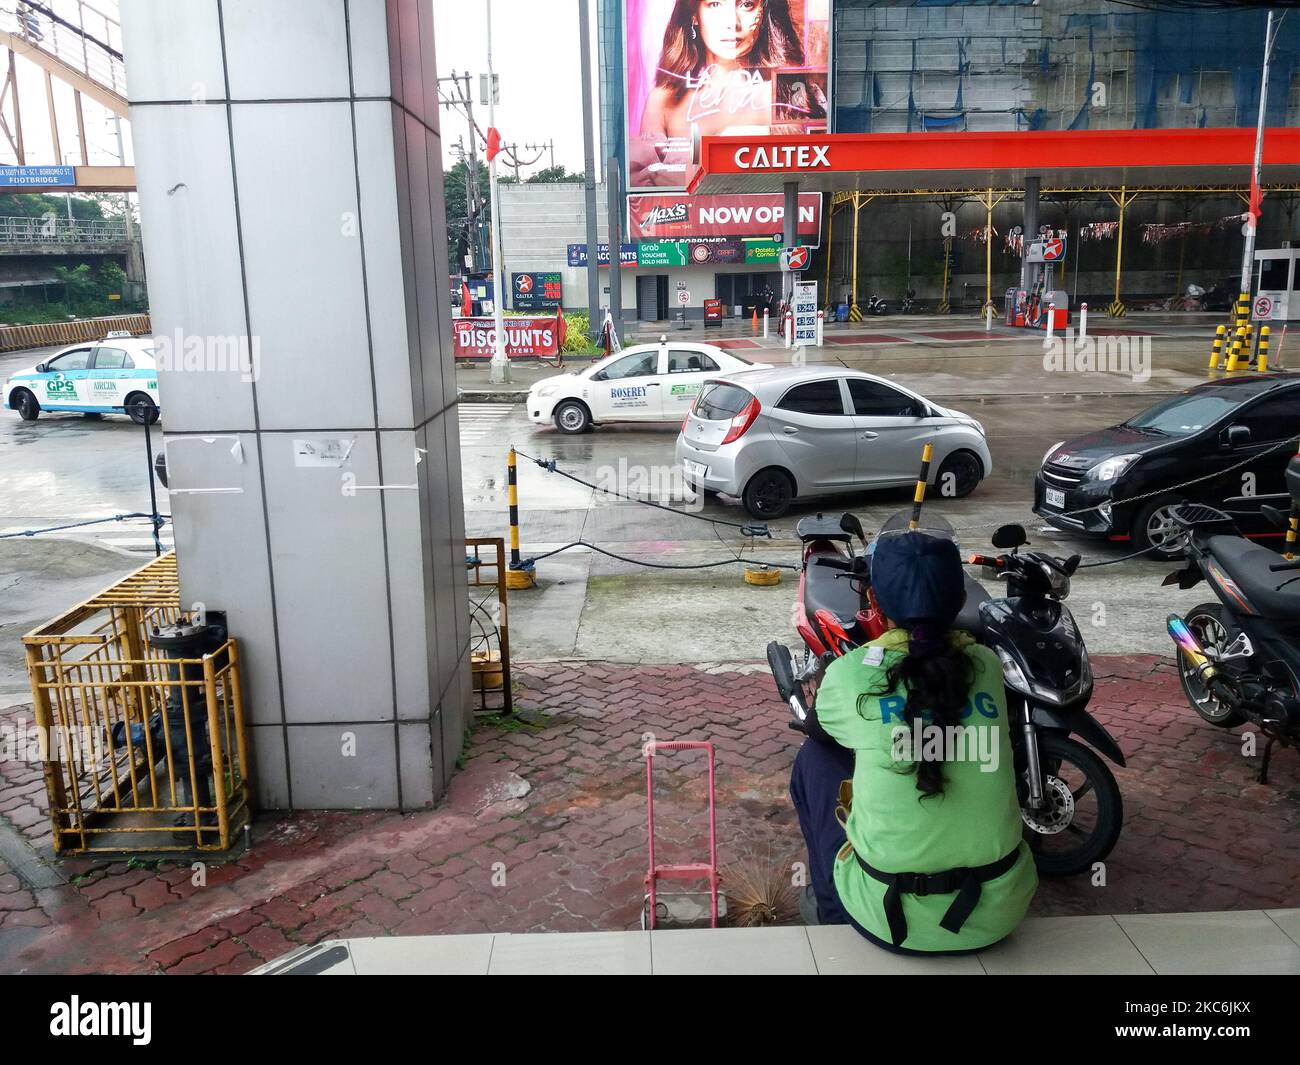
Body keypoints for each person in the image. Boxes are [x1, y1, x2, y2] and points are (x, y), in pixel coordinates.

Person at [789, 531, 1037, 954]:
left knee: (816, 758)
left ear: (874, 604)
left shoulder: (851, 674)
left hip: (889, 917)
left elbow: (821, 730)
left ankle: (831, 908)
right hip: (1000, 910)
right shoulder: (987, 665)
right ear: (960, 601)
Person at [631, 0, 805, 187]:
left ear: (764, 12)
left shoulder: (785, 94)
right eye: (715, 4)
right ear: (693, 14)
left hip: (767, 214)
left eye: (746, 4)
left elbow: (803, 177)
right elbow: (644, 194)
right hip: (689, 216)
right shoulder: (663, 101)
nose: (732, 23)